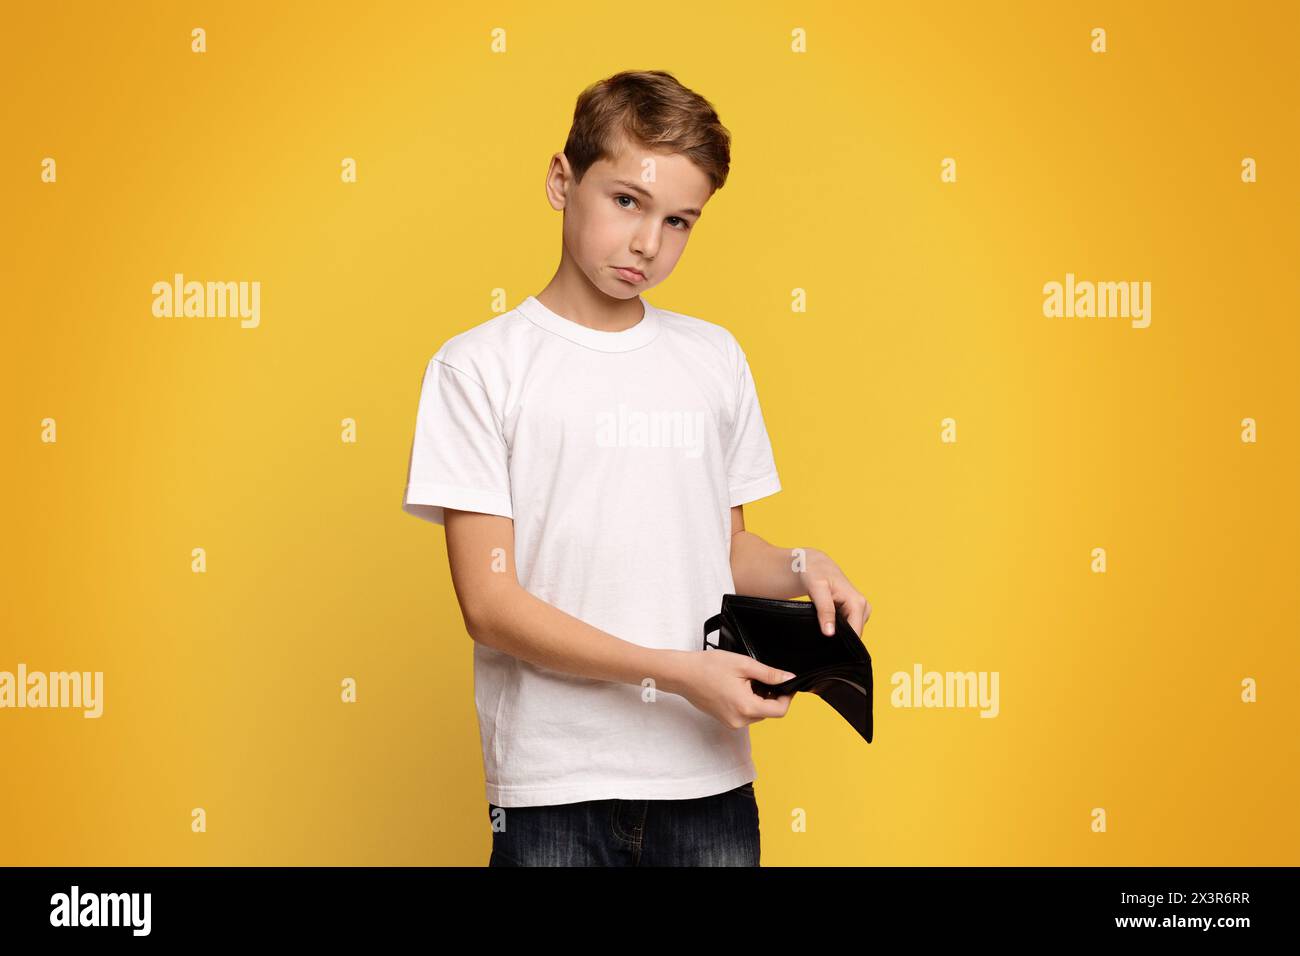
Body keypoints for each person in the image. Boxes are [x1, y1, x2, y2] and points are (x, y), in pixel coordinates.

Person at [402, 70, 870, 866]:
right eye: (627, 201)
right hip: (554, 786)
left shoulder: (712, 359)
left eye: (680, 220)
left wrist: (802, 565)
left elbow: (723, 550)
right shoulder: (479, 370)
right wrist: (678, 673)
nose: (649, 242)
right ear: (562, 180)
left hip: (708, 778)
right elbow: (490, 605)